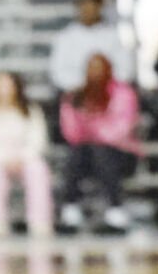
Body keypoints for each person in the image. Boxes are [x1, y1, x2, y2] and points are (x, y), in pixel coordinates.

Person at [58, 53, 141, 233]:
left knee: (101, 151)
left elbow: (122, 129)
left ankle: (116, 211)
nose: (96, 72)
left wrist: (94, 130)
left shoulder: (123, 93)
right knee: (79, 152)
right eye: (91, 67)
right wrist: (90, 130)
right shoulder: (76, 96)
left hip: (121, 154)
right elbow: (71, 132)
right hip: (85, 154)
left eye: (100, 67)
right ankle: (70, 210)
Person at [0, 71, 52, 237]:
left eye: (7, 85)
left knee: (38, 168)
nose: (3, 90)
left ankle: (40, 221)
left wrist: (21, 156)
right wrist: (3, 157)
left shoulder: (30, 110)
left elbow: (38, 139)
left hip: (24, 158)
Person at [47, 0, 133, 99]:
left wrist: (103, 85)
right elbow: (58, 72)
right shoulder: (65, 37)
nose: (87, 11)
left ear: (99, 8)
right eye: (84, 7)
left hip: (109, 95)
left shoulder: (113, 36)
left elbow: (125, 69)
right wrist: (84, 86)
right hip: (76, 94)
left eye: (91, 7)